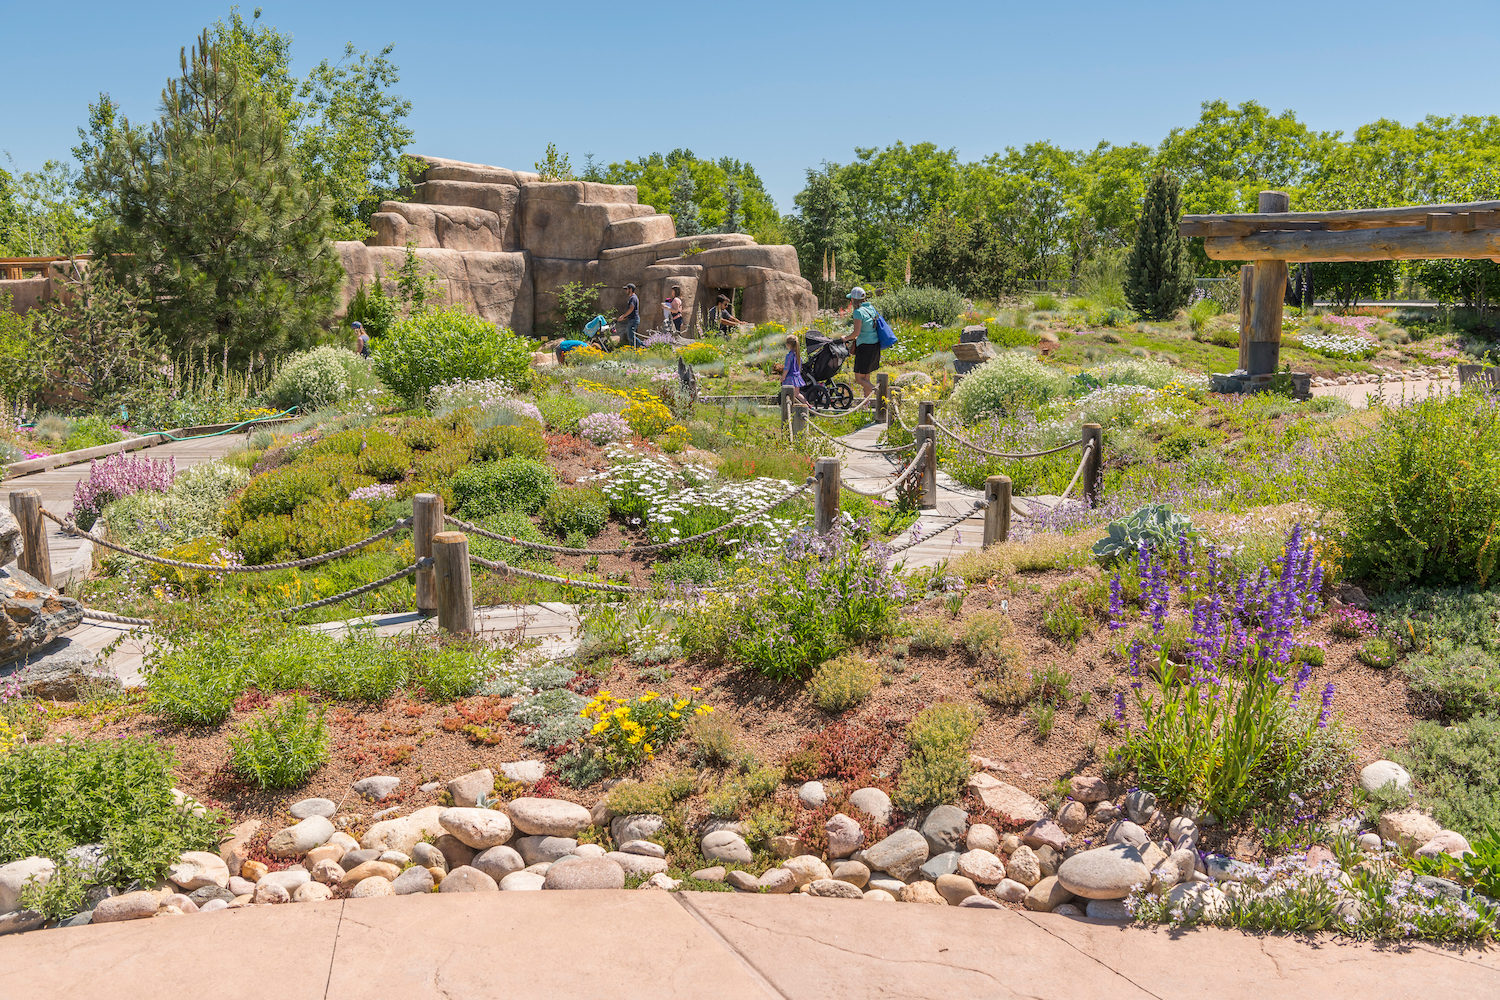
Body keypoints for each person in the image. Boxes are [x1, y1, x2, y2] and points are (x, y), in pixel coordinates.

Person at [841, 286, 880, 400]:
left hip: (865, 347)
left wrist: (845, 338)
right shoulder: (871, 308)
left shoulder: (858, 312)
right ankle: (866, 404)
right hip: (874, 346)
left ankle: (882, 396)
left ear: (853, 300)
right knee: (865, 378)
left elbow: (856, 332)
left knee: (859, 379)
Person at [780, 333, 808, 406]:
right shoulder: (798, 355)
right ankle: (809, 406)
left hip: (790, 378)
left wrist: (783, 377)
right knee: (797, 394)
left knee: (788, 394)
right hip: (796, 377)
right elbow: (799, 367)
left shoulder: (789, 356)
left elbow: (786, 368)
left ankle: (789, 408)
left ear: (788, 344)